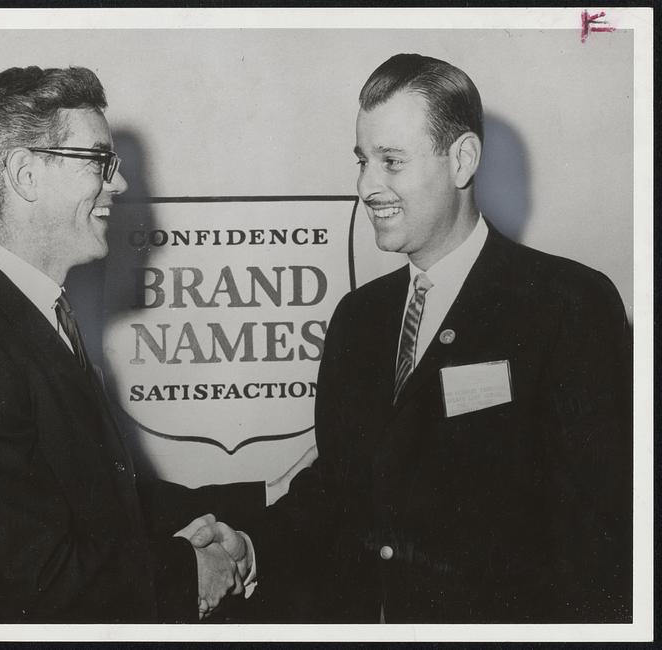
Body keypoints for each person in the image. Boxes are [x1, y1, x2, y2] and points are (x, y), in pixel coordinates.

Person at [194, 53, 632, 623]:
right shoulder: (357, 317)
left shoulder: (567, 304)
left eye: (392, 162)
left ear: (462, 160)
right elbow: (339, 488)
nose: (366, 186)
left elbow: (600, 540)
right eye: (362, 161)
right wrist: (253, 548)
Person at [0, 65, 262, 623]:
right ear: (25, 176)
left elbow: (111, 504)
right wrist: (192, 570)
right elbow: (34, 586)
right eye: (98, 160)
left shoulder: (32, 317)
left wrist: (265, 496)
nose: (120, 184)